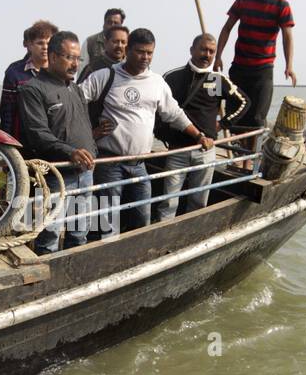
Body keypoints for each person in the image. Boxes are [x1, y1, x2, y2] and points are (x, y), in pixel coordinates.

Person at [82, 28, 214, 235]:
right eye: (140, 52)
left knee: (143, 217)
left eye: (150, 53)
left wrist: (198, 135)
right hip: (110, 163)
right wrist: (90, 133)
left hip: (140, 164)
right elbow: (75, 102)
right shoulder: (105, 76)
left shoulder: (157, 82)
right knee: (108, 220)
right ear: (128, 49)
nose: (145, 57)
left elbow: (174, 114)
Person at [16, 31, 97, 254]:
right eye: (69, 57)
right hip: (55, 176)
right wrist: (70, 152)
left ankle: (74, 271)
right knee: (49, 233)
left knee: (80, 231)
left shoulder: (76, 89)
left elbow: (84, 126)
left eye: (78, 58)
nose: (75, 64)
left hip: (85, 172)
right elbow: (37, 134)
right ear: (52, 57)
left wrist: (92, 151)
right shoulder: (32, 89)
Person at [214, 0, 296, 149]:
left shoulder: (282, 5)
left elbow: (287, 37)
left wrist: (289, 66)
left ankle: (250, 159)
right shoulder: (244, 0)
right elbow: (227, 28)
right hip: (240, 66)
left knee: (258, 117)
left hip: (263, 70)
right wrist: (218, 56)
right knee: (234, 111)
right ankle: (239, 155)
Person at [153, 33, 222, 221]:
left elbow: (215, 106)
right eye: (203, 49)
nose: (206, 54)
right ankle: (163, 237)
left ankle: (192, 235)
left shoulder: (214, 80)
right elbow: (157, 110)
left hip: (205, 150)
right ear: (192, 50)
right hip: (177, 151)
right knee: (168, 201)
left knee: (199, 201)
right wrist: (164, 136)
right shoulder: (172, 77)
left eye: (211, 51)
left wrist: (221, 125)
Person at [0, 20, 58, 139]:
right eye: (40, 43)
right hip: (23, 139)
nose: (45, 47)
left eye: (49, 43)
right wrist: (6, 143)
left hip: (54, 140)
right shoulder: (15, 73)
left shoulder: (59, 72)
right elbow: (7, 113)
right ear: (29, 45)